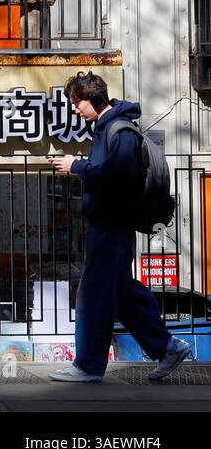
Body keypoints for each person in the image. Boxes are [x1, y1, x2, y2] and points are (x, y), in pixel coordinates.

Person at [48, 72, 191, 382]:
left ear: (94, 100)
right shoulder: (111, 128)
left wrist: (77, 166)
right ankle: (167, 347)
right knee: (122, 293)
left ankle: (88, 366)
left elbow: (117, 178)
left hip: (111, 226)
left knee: (95, 295)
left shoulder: (118, 131)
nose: (75, 109)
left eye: (77, 103)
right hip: (111, 225)